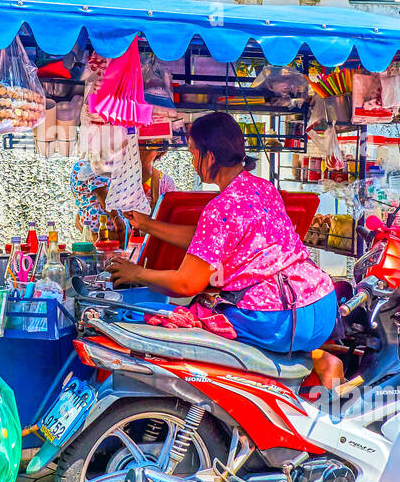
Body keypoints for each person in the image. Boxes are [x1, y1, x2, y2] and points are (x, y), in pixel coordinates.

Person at [107, 112, 344, 389]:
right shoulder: (263, 188)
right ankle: (318, 357)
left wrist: (137, 273)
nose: (193, 163)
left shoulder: (221, 207)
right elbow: (207, 240)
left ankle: (316, 360)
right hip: (322, 305)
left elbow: (186, 284)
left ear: (209, 157)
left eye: (193, 154)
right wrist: (147, 224)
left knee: (173, 318)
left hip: (278, 319)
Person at [139, 138, 178, 211]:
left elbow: (170, 211)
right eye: (137, 147)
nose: (141, 152)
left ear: (159, 151)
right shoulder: (119, 178)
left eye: (148, 146)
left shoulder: (165, 183)